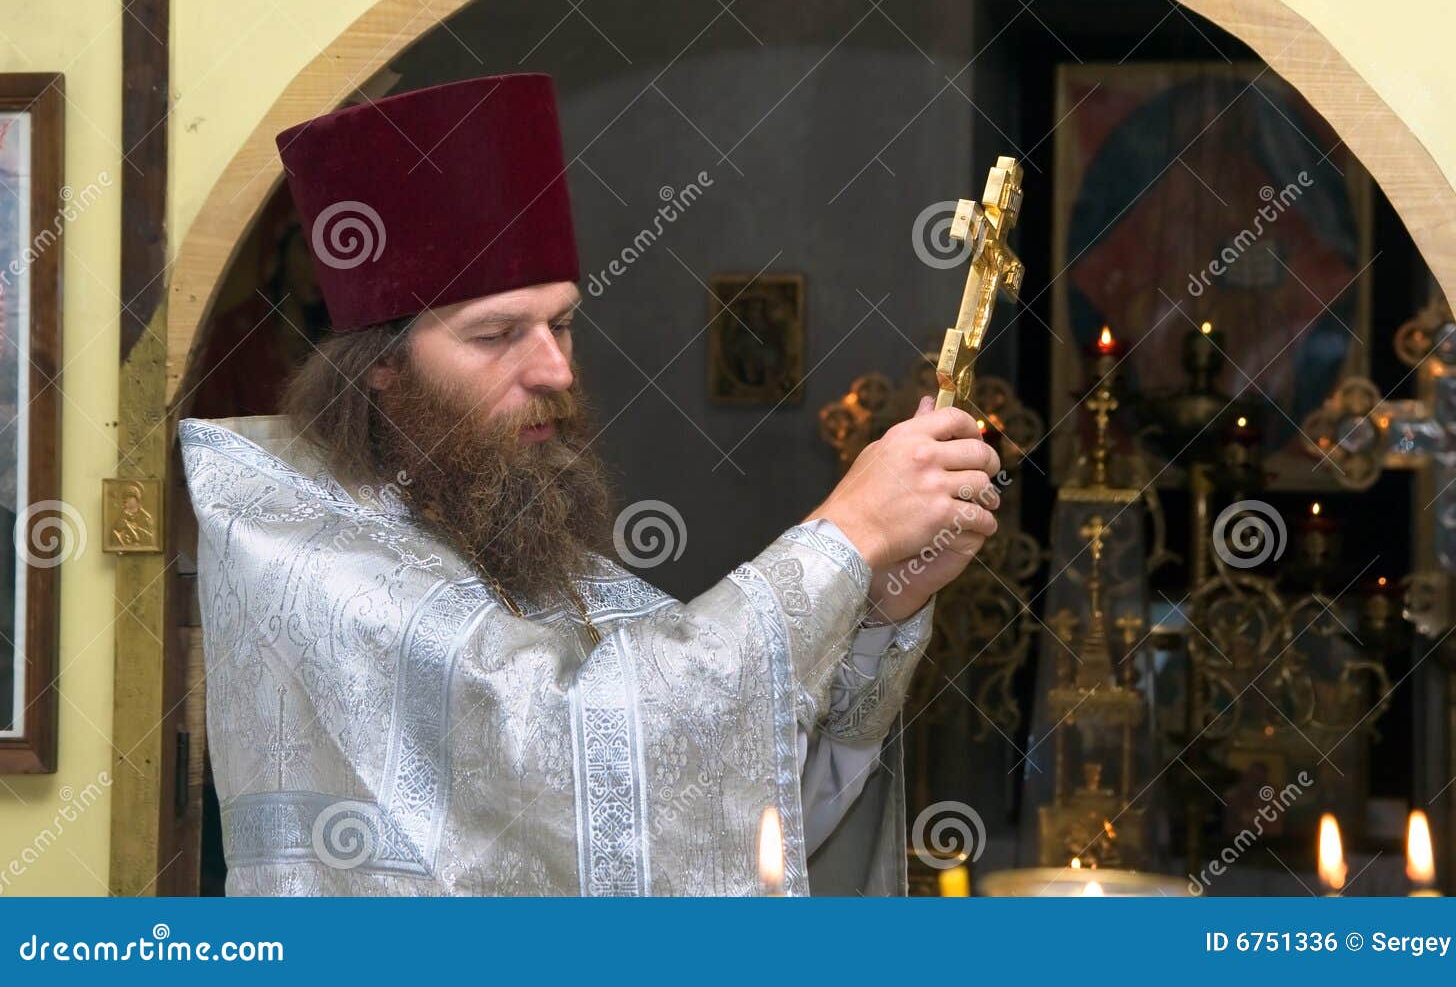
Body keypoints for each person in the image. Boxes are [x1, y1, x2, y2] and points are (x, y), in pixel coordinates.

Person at [179, 72, 1000, 896]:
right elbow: (574, 744)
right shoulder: (310, 554)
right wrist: (847, 534)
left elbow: (727, 811)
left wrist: (879, 603)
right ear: (382, 367)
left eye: (562, 323)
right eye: (496, 334)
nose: (556, 369)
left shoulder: (532, 555)